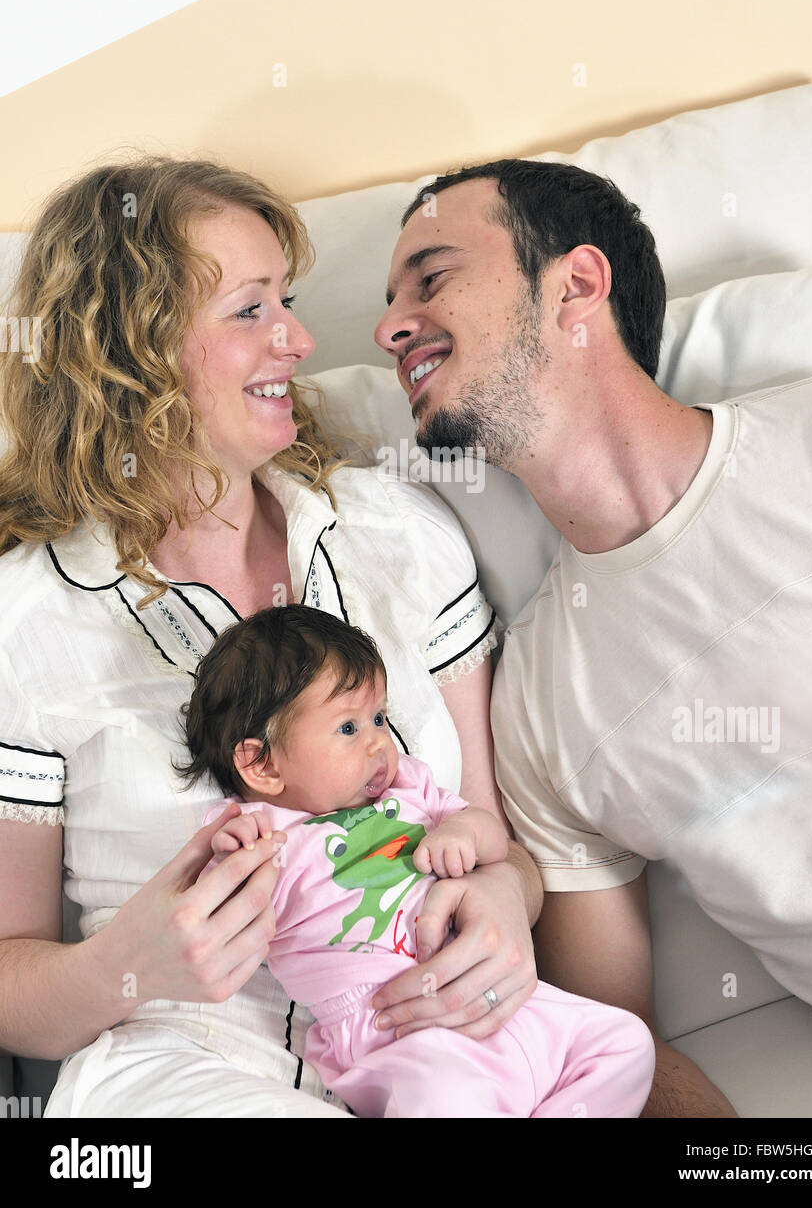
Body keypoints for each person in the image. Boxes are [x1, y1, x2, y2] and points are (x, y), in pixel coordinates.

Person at [0, 157, 542, 1120]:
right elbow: (10, 985)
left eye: (285, 302)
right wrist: (121, 969)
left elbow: (498, 837)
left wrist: (506, 903)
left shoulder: (396, 534)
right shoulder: (27, 618)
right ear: (127, 351)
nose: (298, 338)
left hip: (439, 1040)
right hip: (194, 1070)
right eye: (250, 310)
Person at [374, 158, 812, 1117]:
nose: (390, 326)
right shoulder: (534, 716)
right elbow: (616, 1050)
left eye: (430, 279)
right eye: (390, 302)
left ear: (577, 285)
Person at [182, 603, 655, 1118]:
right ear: (262, 763)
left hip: (499, 989)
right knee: (445, 1099)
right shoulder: (265, 837)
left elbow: (491, 836)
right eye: (348, 728)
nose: (379, 741)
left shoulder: (411, 787)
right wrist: (230, 858)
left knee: (626, 1042)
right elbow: (210, 924)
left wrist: (463, 832)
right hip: (397, 1023)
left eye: (380, 717)